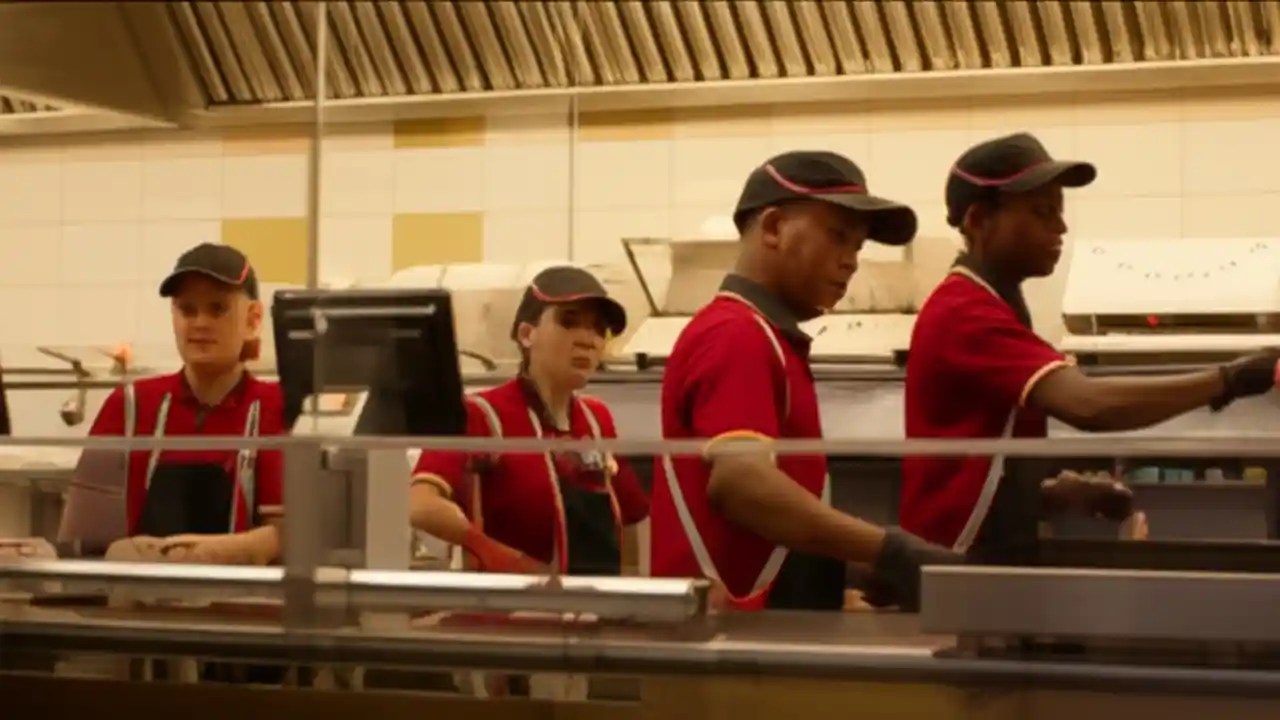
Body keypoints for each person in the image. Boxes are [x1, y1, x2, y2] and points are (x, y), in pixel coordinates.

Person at [901, 132, 1280, 564]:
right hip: (953, 564)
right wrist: (1230, 379)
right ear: (977, 220)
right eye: (1042, 212)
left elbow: (981, 466)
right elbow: (1089, 405)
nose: (1060, 227)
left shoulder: (993, 305)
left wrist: (1057, 494)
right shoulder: (965, 312)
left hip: (979, 557)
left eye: (1059, 213)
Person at [649, 151, 963, 613]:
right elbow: (741, 486)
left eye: (857, 247)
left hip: (746, 634)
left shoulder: (769, 338)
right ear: (773, 228)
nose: (850, 262)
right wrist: (889, 551)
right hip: (722, 646)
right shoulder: (737, 334)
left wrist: (841, 577)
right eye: (838, 237)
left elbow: (760, 534)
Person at [409, 266, 649, 579]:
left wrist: (632, 598)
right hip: (504, 617)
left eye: (598, 329)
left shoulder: (596, 419)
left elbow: (631, 517)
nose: (588, 340)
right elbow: (421, 505)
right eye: (570, 321)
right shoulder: (481, 414)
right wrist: (495, 554)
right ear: (526, 334)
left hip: (590, 614)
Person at [59, 243, 284, 566]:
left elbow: (290, 537)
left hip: (240, 611)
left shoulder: (276, 408)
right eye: (187, 310)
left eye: (217, 308)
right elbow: (82, 537)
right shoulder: (130, 405)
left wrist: (200, 554)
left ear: (253, 319)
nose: (199, 322)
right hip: (143, 607)